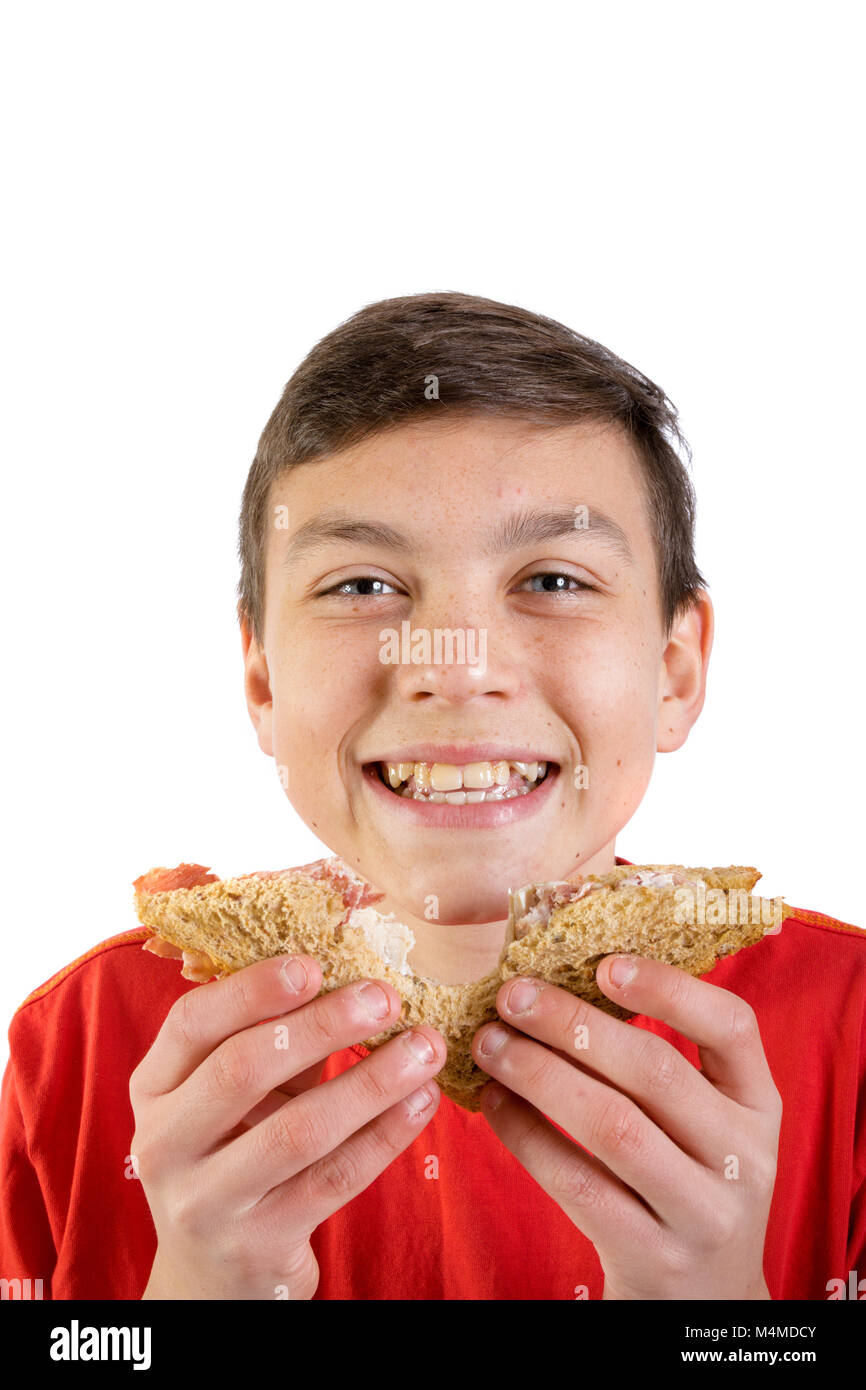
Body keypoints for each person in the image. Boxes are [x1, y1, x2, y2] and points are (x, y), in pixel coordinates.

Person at [2, 292, 863, 1301]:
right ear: (263, 682)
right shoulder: (81, 1047)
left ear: (672, 671)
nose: (454, 668)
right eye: (363, 586)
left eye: (551, 580)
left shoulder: (847, 1033)